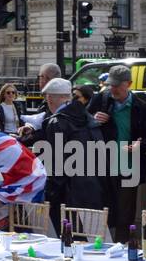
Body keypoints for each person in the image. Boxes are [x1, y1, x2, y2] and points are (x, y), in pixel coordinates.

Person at [24, 78, 105, 230]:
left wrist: (50, 194)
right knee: (90, 243)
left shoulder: (57, 122)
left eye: (47, 99)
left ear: (50, 99)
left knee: (68, 242)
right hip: (93, 188)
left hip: (67, 194)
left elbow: (56, 164)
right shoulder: (87, 117)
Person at [87, 64, 146, 242]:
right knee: (103, 210)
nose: (113, 89)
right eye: (111, 84)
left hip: (128, 169)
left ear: (129, 84)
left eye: (117, 85)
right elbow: (83, 122)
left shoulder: (141, 107)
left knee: (125, 214)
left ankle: (124, 247)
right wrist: (93, 120)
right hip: (103, 166)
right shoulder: (101, 100)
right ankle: (102, 246)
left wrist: (140, 145)